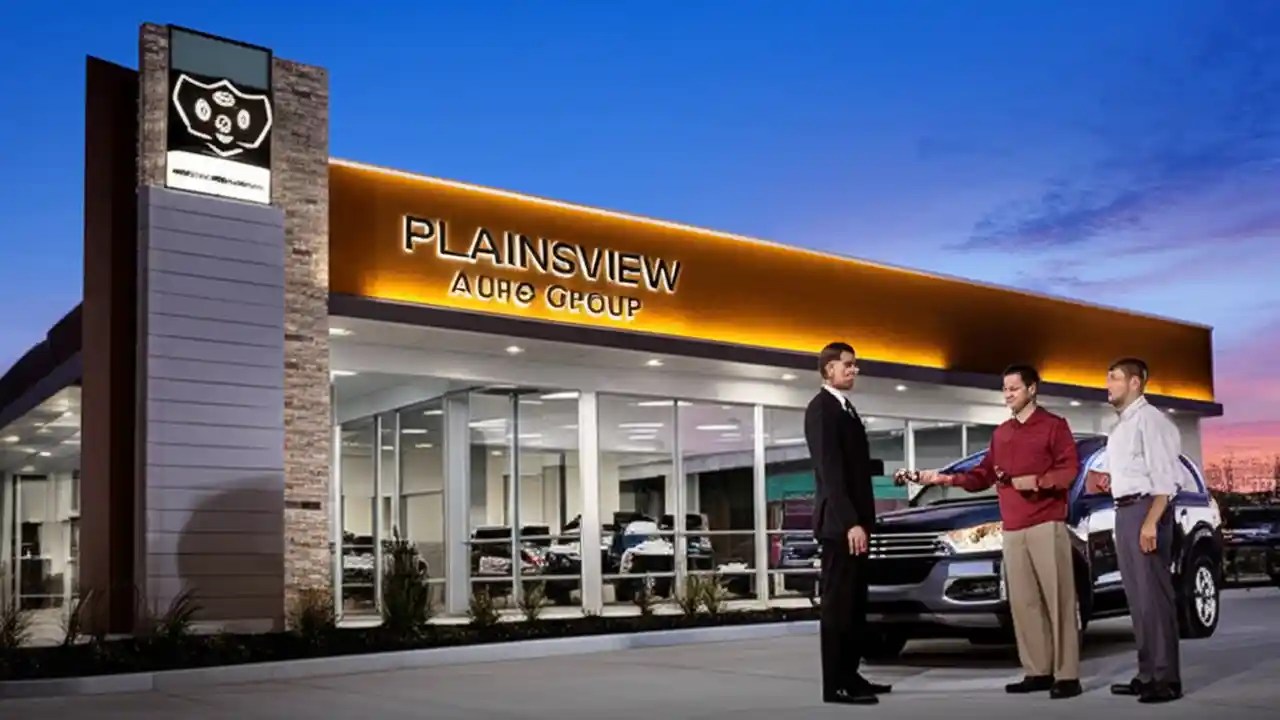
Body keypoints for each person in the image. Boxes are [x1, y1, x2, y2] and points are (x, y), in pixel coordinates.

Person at [916, 364, 1082, 699]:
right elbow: (983, 475)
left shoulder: (1054, 426)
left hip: (1046, 523)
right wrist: (947, 478)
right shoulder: (1002, 433)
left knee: (1059, 600)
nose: (1008, 395)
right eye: (1005, 389)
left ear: (1032, 389)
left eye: (1014, 388)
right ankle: (1037, 671)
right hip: (1013, 527)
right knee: (1024, 603)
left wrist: (1037, 481)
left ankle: (1067, 676)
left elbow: (1069, 470)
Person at [803, 341, 892, 705]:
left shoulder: (846, 408)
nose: (854, 370)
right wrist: (851, 523)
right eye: (848, 365)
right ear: (829, 369)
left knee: (855, 605)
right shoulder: (821, 409)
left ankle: (851, 675)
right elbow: (831, 472)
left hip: (856, 526)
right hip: (840, 527)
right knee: (838, 607)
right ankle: (835, 685)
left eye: (855, 365)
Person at [1099, 357, 1185, 703]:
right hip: (1124, 510)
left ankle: (1166, 679)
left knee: (1155, 597)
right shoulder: (1121, 426)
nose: (1108, 384)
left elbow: (1166, 477)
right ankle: (1147, 674)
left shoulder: (1152, 421)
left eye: (1114, 378)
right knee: (1138, 599)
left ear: (1135, 382)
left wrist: (1151, 521)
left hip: (1146, 510)